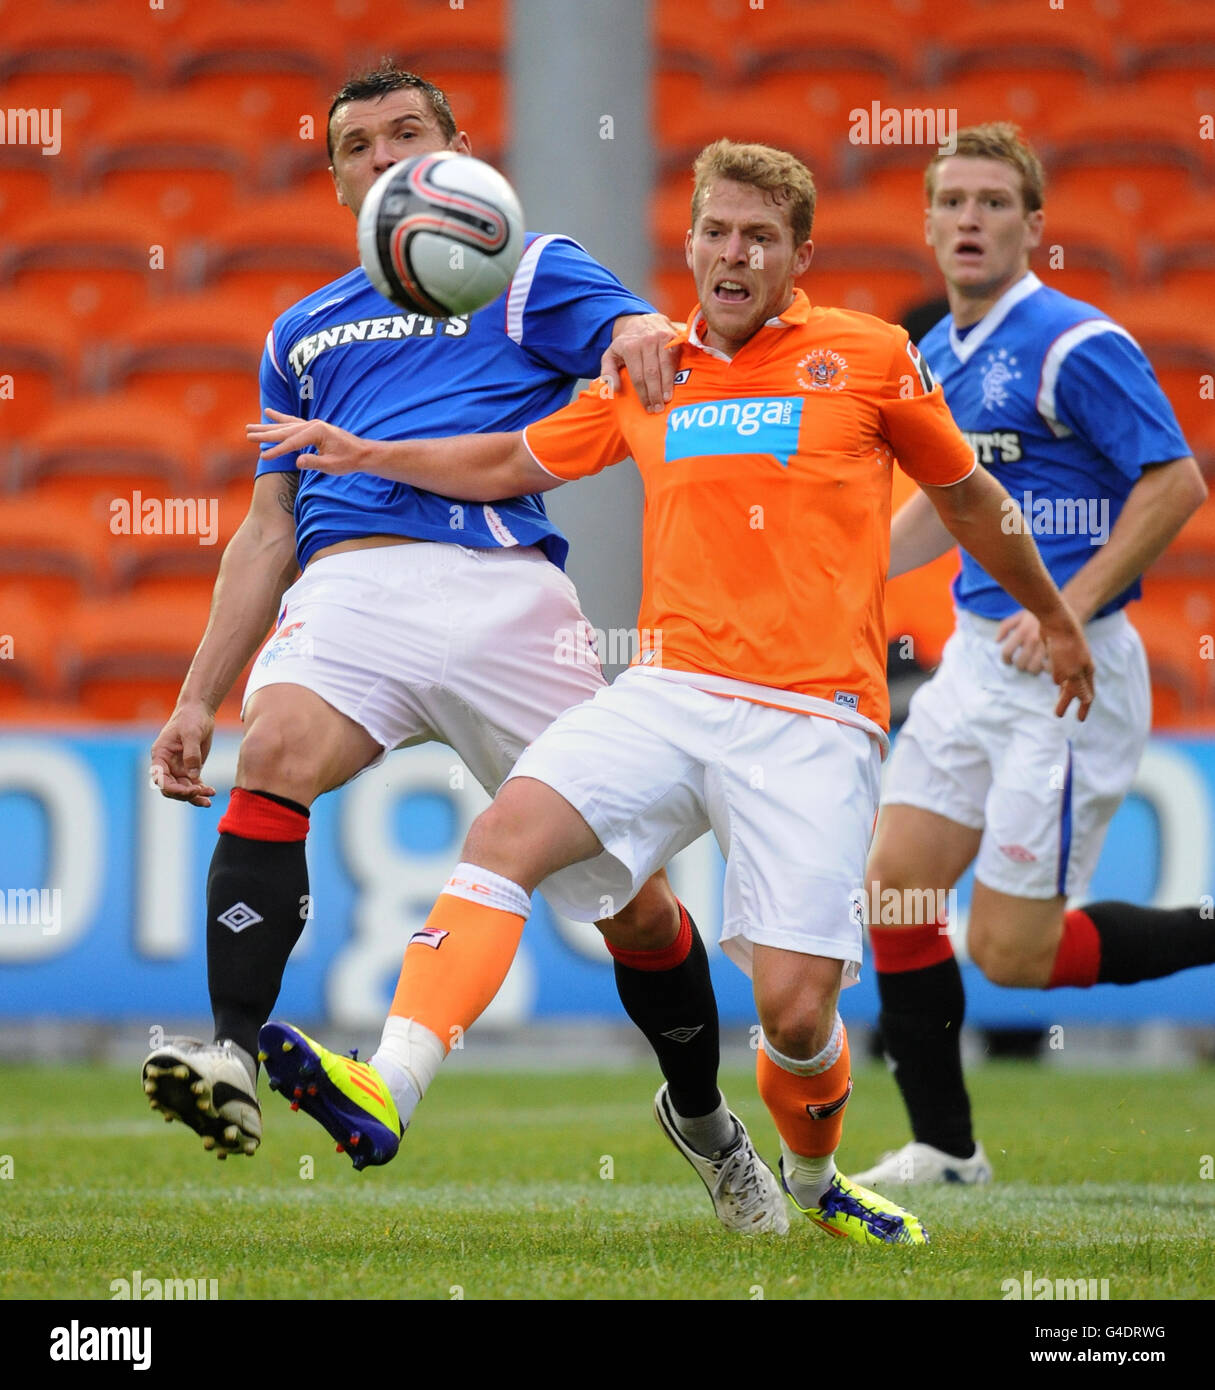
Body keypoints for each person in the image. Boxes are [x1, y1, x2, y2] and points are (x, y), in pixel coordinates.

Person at [247, 137, 1097, 1245]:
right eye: (716, 231)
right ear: (690, 240)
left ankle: (811, 1174)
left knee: (797, 1013)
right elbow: (514, 459)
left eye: (760, 236)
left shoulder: (872, 354)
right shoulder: (651, 371)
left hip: (815, 717)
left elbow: (973, 498)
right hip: (668, 690)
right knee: (507, 832)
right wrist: (367, 453)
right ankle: (388, 1085)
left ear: (800, 254)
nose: (734, 253)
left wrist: (1053, 611)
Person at [143, 64, 787, 1236]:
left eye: (406, 133)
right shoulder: (303, 329)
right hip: (353, 589)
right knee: (273, 744)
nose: (383, 155)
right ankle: (232, 1058)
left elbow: (630, 325)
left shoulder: (528, 266)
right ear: (337, 176)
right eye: (357, 145)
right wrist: (199, 694)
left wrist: (642, 332)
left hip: (507, 594)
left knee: (632, 908)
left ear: (457, 149)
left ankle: (703, 1122)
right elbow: (267, 529)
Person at [852, 123, 1210, 1189]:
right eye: (952, 202)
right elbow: (952, 506)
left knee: (1015, 954)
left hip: (1069, 675)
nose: (970, 219)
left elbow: (1177, 483)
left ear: (1034, 227)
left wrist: (1067, 606)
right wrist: (847, 580)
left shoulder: (1071, 342)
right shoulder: (943, 355)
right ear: (926, 223)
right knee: (899, 889)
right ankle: (946, 1149)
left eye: (994, 203)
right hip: (972, 662)